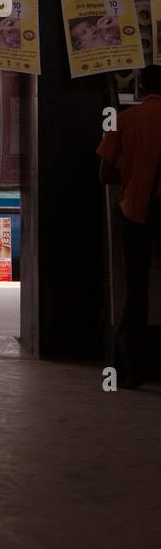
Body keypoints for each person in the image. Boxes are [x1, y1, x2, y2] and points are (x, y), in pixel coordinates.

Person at [96, 64, 161, 388]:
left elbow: (105, 173)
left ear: (141, 87)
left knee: (136, 292)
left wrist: (136, 180)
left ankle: (131, 370)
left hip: (136, 213)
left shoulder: (125, 119)